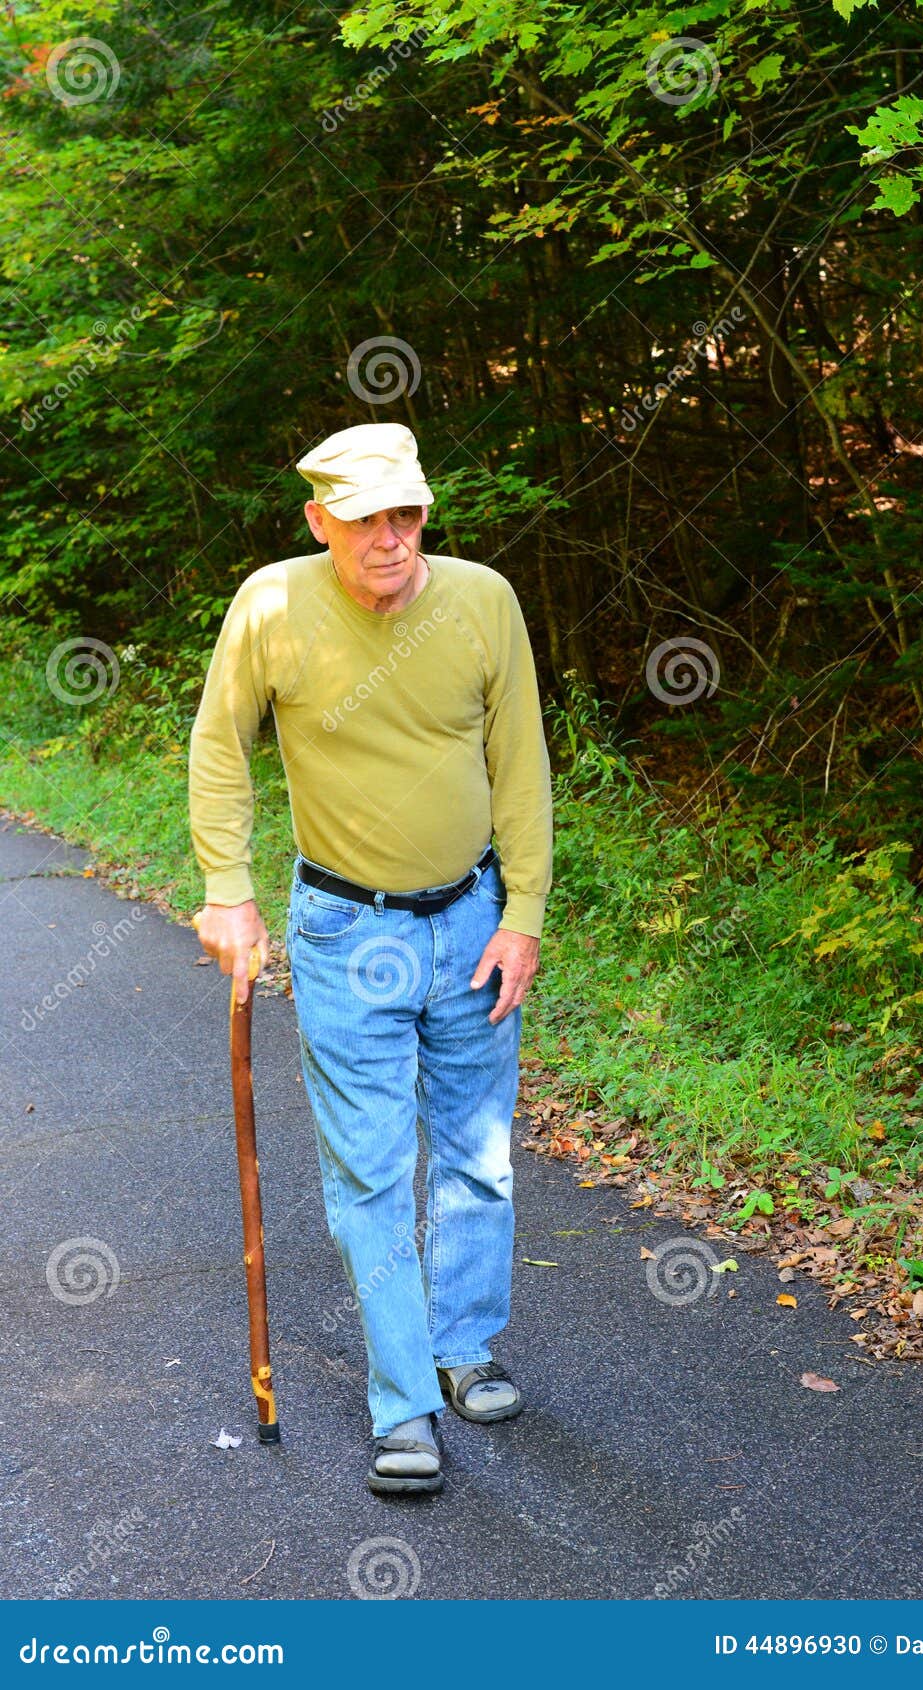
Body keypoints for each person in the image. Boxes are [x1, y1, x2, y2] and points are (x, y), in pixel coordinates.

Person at [187, 421, 553, 1495]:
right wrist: (227, 889)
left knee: (479, 1157)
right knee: (371, 1173)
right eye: (365, 521)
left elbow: (521, 762)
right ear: (320, 523)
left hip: (470, 917)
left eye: (406, 516)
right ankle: (402, 1404)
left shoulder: (484, 600)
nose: (390, 539)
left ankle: (463, 1344)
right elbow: (219, 749)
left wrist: (521, 908)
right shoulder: (270, 605)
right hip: (348, 933)